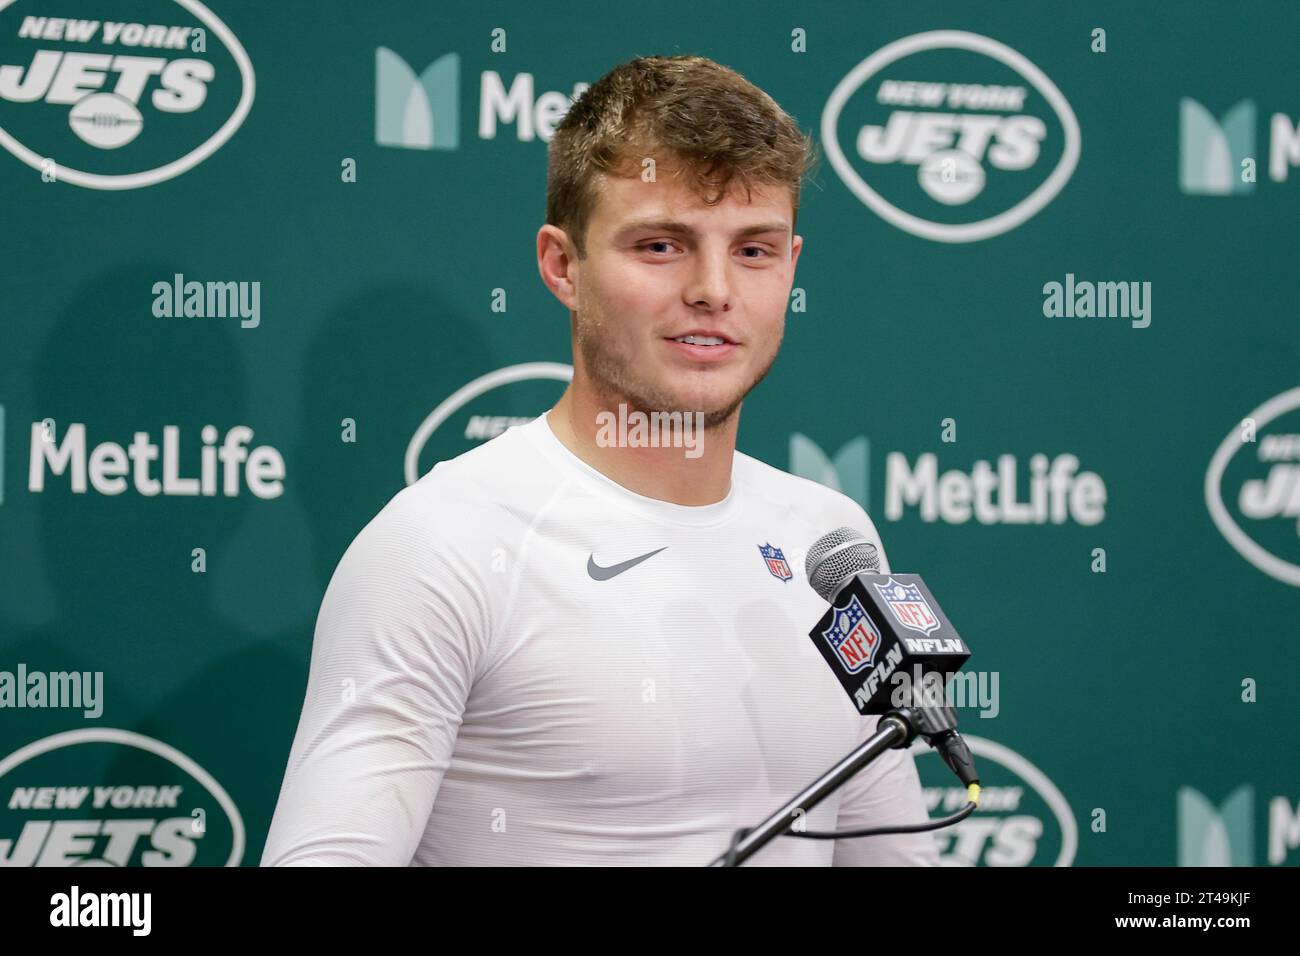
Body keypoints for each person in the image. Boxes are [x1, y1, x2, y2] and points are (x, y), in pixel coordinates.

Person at [261, 54, 939, 866]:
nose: (714, 290)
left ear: (792, 266)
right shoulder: (443, 545)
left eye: (753, 251)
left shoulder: (832, 541)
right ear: (562, 266)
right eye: (661, 245)